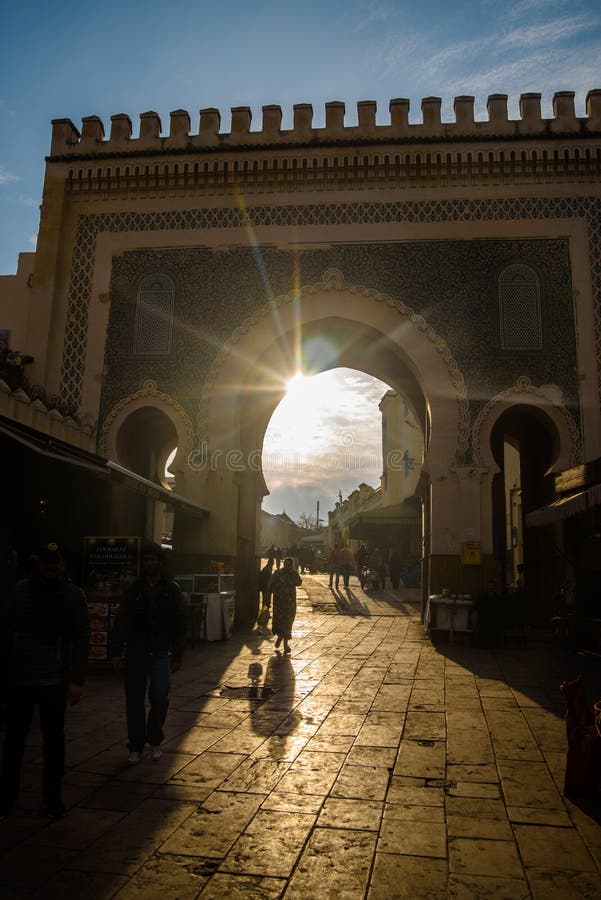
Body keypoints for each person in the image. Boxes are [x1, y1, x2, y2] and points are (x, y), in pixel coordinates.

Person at [0, 542, 90, 820]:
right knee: (14, 740)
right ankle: (6, 798)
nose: (52, 566)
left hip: (54, 680)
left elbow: (81, 640)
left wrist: (76, 679)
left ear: (62, 563)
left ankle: (52, 797)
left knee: (54, 741)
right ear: (39, 562)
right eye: (47, 561)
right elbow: (7, 631)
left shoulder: (73, 595)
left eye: (56, 561)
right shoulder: (21, 591)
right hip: (20, 678)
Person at [110, 541, 185, 765]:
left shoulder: (171, 590)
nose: (150, 563)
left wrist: (178, 654)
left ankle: (155, 740)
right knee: (134, 701)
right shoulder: (133, 590)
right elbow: (121, 621)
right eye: (146, 560)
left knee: (160, 698)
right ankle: (135, 745)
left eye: (153, 560)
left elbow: (179, 624)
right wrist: (115, 651)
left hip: (160, 653)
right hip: (136, 653)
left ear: (160, 563)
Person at [270, 556, 302, 653]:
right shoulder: (278, 573)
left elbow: (299, 583)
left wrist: (294, 574)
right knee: (279, 621)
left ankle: (285, 644)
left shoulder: (293, 574)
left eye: (289, 565)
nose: (287, 566)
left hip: (289, 603)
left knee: (288, 622)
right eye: (286, 564)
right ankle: (280, 637)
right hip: (279, 602)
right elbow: (271, 584)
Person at [256, 558, 274, 632]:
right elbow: (265, 580)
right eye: (272, 562)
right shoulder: (266, 569)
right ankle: (262, 616)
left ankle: (264, 614)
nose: (273, 564)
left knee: (266, 602)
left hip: (267, 589)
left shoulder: (268, 569)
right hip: (266, 589)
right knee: (265, 602)